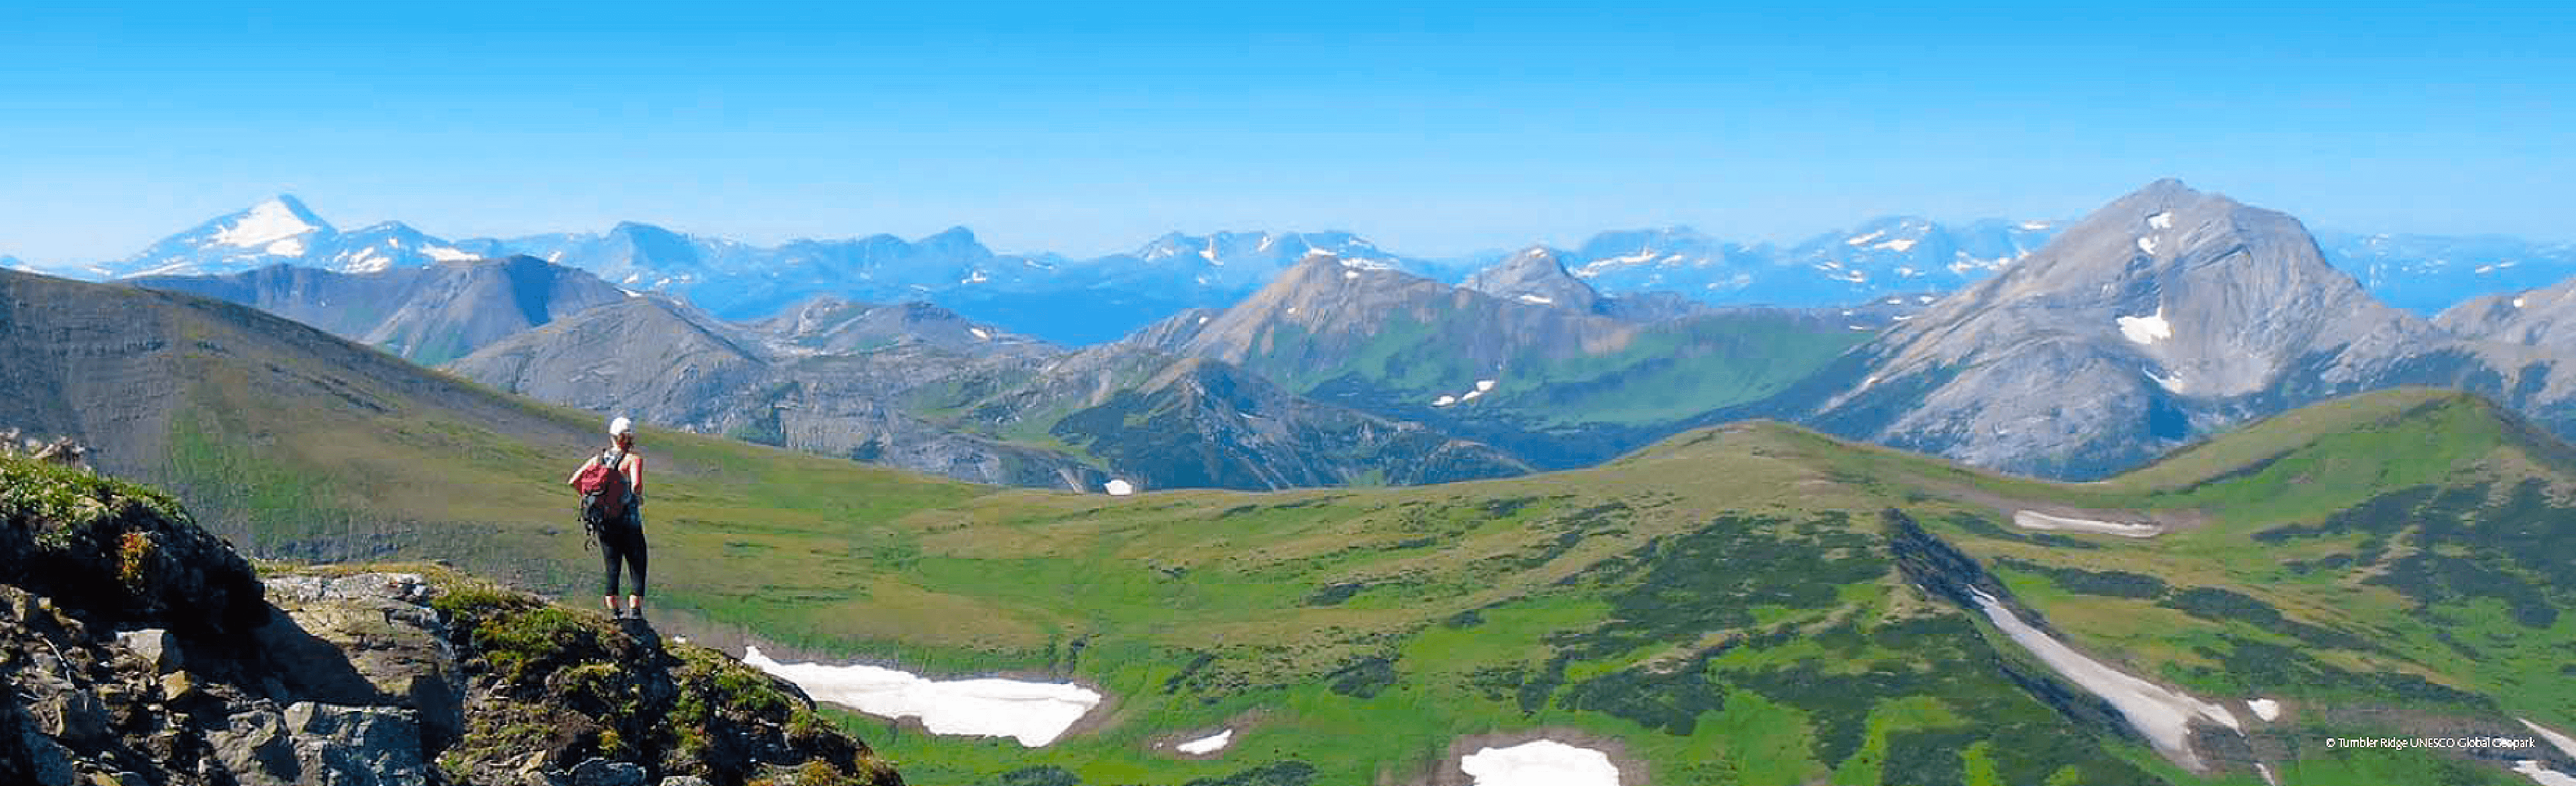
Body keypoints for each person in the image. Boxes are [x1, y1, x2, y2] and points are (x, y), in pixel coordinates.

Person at [567, 416, 648, 619]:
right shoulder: (632, 459)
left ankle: (614, 613)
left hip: (604, 521)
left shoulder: (598, 459)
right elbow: (636, 485)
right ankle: (635, 613)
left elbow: (574, 481)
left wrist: (594, 501)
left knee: (612, 566)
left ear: (612, 437)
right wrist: (635, 498)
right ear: (628, 438)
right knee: (637, 563)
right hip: (629, 521)